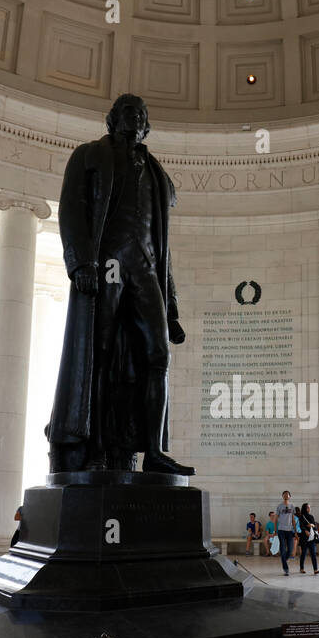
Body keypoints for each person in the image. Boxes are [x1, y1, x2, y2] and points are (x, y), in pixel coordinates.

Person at [47, 94, 193, 475]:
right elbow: (72, 210)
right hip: (106, 262)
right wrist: (81, 262)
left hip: (144, 268)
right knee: (101, 353)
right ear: (112, 119)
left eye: (142, 114)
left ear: (147, 126)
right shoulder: (88, 156)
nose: (136, 118)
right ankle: (94, 446)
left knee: (158, 356)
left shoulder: (158, 174)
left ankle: (154, 450)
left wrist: (172, 310)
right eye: (128, 112)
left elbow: (164, 249)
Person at [296, 502, 319, 575]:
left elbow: (315, 526)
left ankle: (315, 569)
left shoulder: (311, 516)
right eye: (308, 507)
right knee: (303, 553)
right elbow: (301, 526)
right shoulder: (301, 517)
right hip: (304, 538)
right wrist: (305, 530)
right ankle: (301, 568)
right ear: (305, 508)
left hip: (311, 537)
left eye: (309, 507)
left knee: (313, 553)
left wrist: (311, 525)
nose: (309, 508)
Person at [276, 491, 296, 575]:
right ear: (282, 496)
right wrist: (275, 530)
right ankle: (285, 568)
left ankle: (284, 559)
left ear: (290, 496)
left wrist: (295, 531)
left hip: (289, 530)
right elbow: (276, 519)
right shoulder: (279, 506)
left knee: (290, 549)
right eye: (284, 495)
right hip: (281, 530)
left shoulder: (292, 506)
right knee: (283, 548)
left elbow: (293, 519)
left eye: (287, 495)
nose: (286, 496)